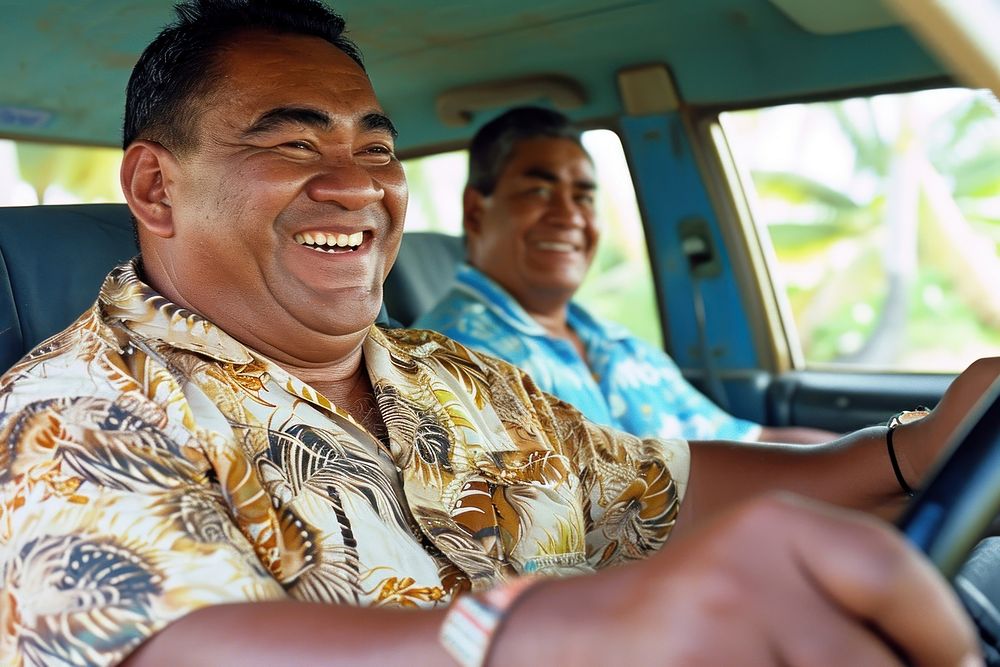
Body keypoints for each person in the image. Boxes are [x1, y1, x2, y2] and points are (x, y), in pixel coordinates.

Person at [0, 1, 989, 666]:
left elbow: (652, 487)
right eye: (293, 142)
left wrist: (916, 448)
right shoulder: (74, 408)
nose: (361, 185)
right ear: (153, 187)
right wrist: (550, 633)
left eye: (376, 148)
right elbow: (175, 645)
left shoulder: (456, 374)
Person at [416, 106, 835, 444]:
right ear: (475, 210)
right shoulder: (454, 358)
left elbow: (750, 442)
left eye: (583, 196)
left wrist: (886, 454)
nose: (569, 216)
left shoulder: (618, 345)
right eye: (539, 191)